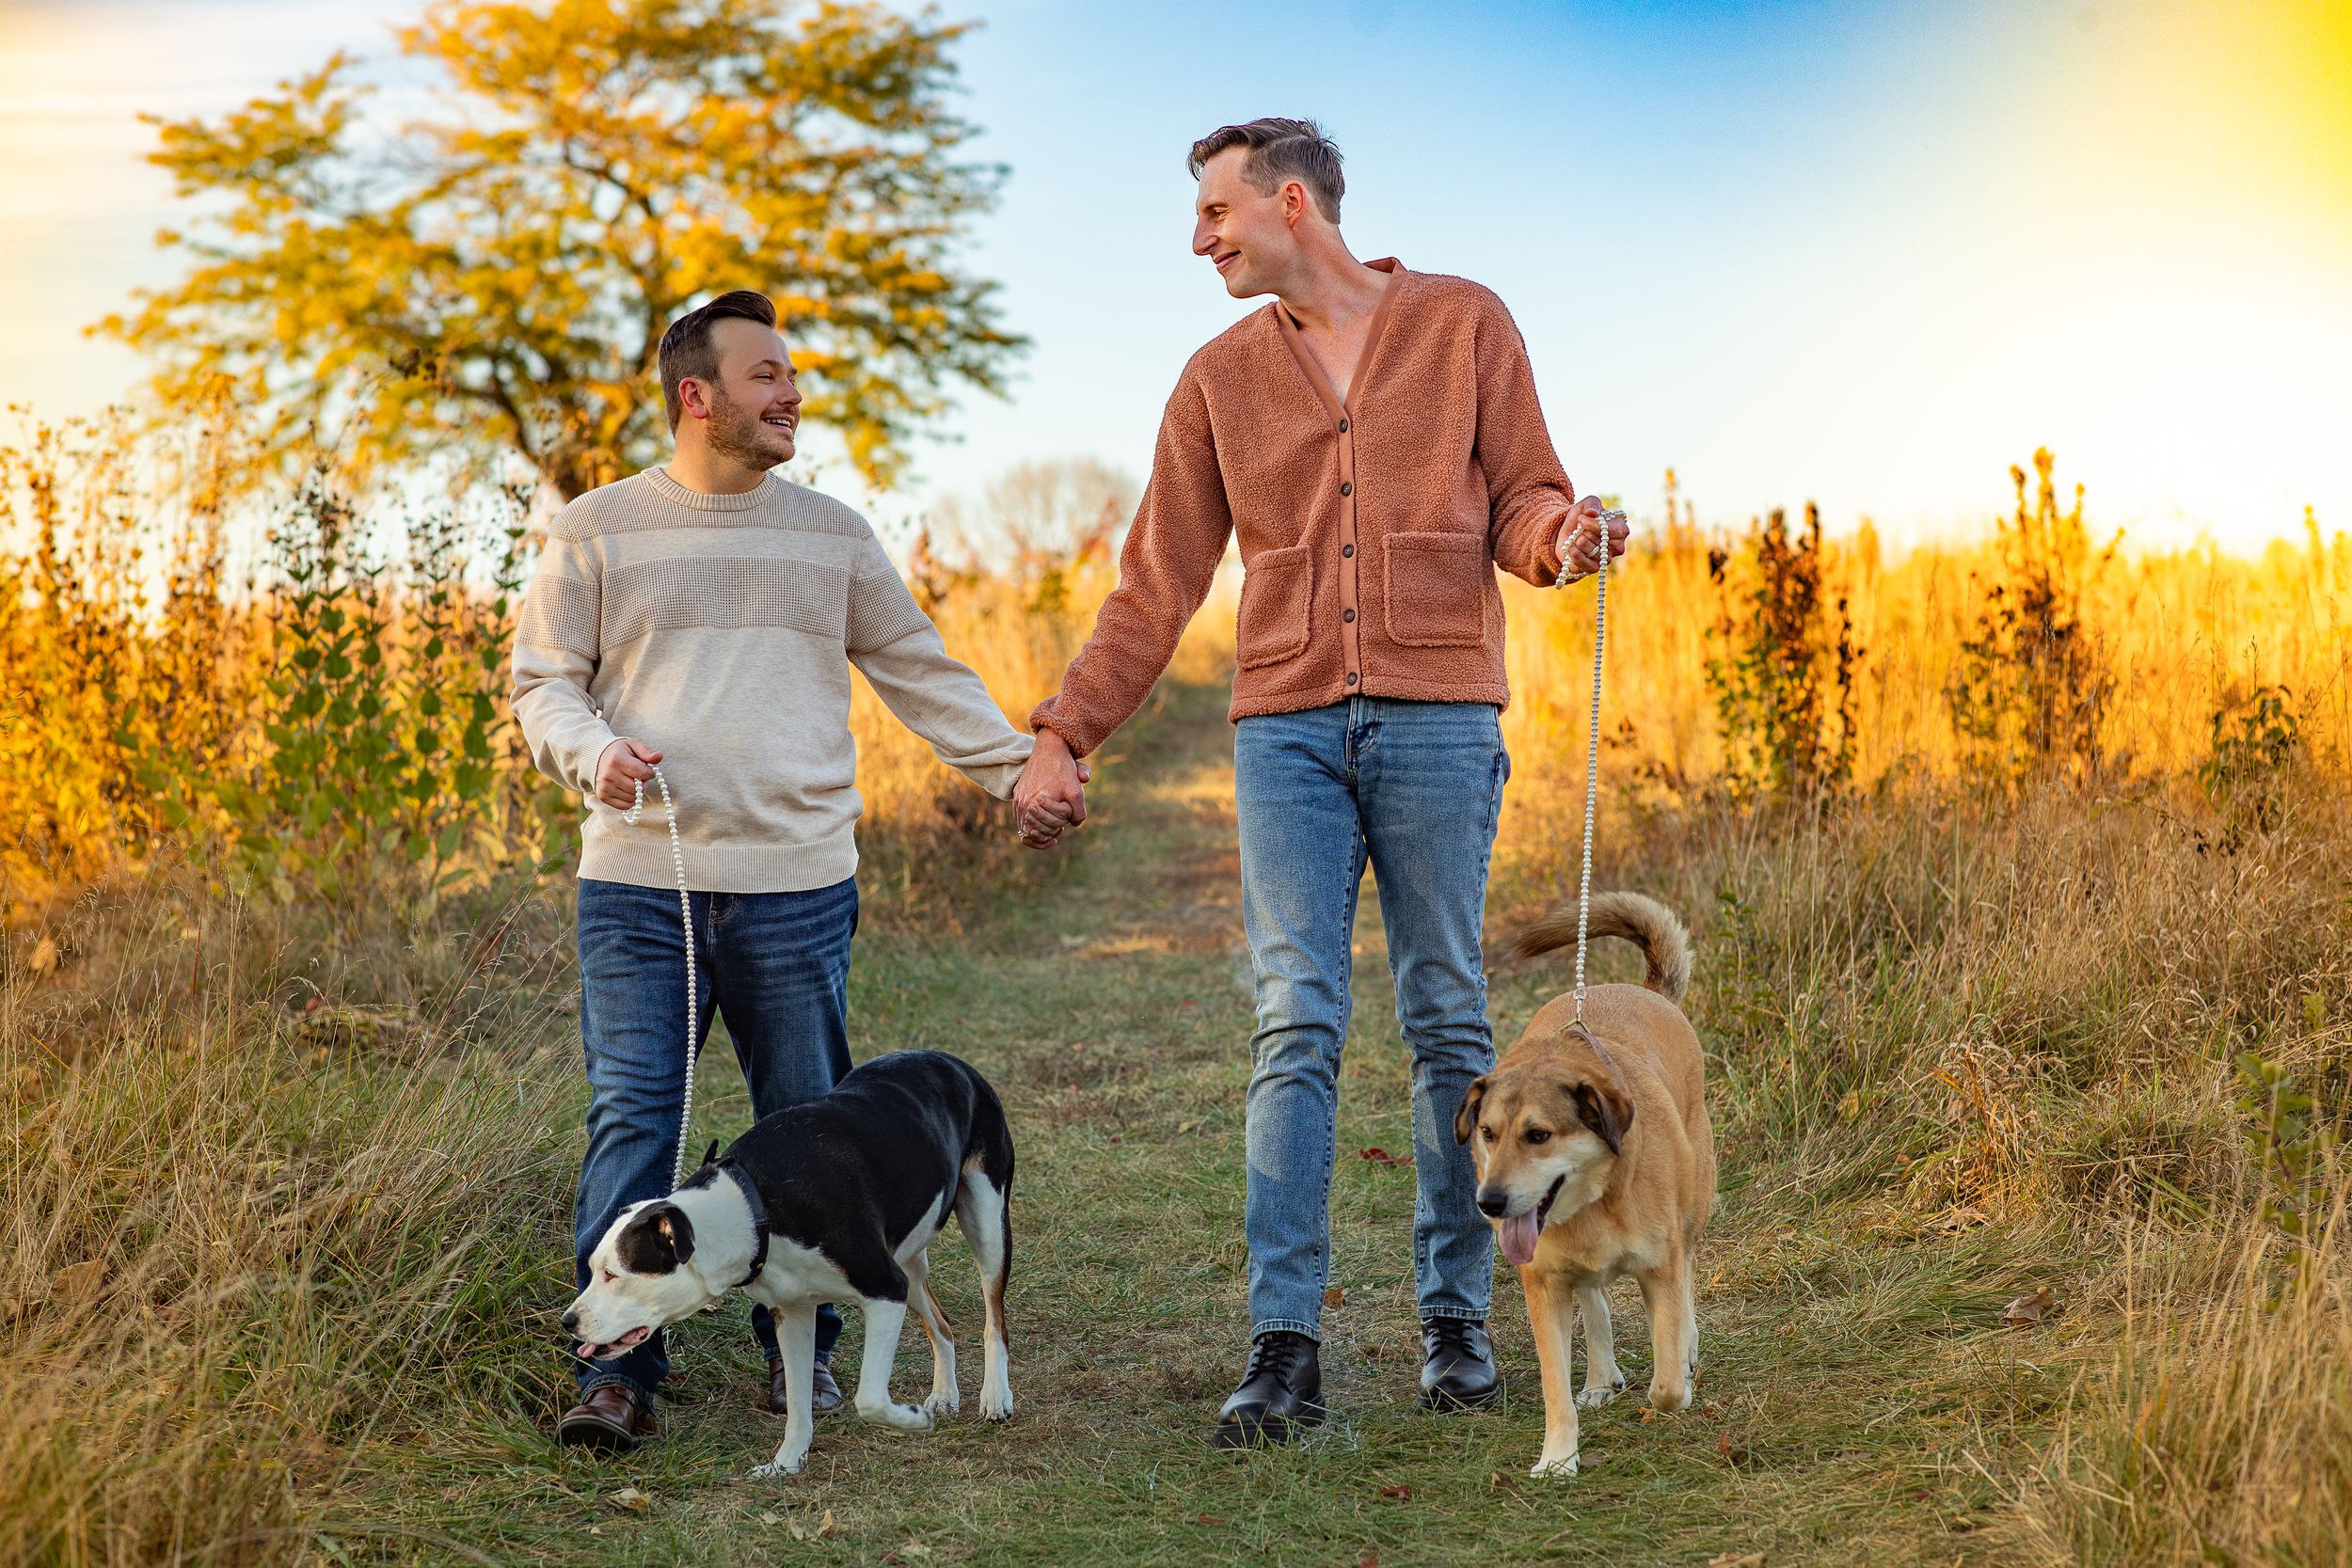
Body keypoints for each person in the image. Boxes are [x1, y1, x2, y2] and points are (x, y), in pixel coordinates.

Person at [1012, 119, 1629, 1449]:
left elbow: (1525, 500)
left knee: (1448, 1016)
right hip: (1285, 732)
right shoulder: (1218, 379)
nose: (1200, 239)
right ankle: (1282, 1343)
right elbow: (1157, 580)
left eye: (1217, 212)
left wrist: (1566, 538)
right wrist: (1067, 730)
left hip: (1439, 721)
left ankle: (1458, 1318)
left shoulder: (1465, 325)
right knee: (1296, 1018)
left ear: (1293, 203)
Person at [512, 290, 1061, 1450]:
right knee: (636, 1124)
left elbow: (917, 666)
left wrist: (1013, 770)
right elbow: (542, 682)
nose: (792, 393)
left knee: (809, 1128)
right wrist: (591, 751)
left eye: (792, 373)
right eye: (766, 375)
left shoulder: (830, 533)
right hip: (638, 887)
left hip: (799, 884)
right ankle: (619, 1366)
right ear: (694, 396)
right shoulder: (595, 529)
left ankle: (793, 1363)